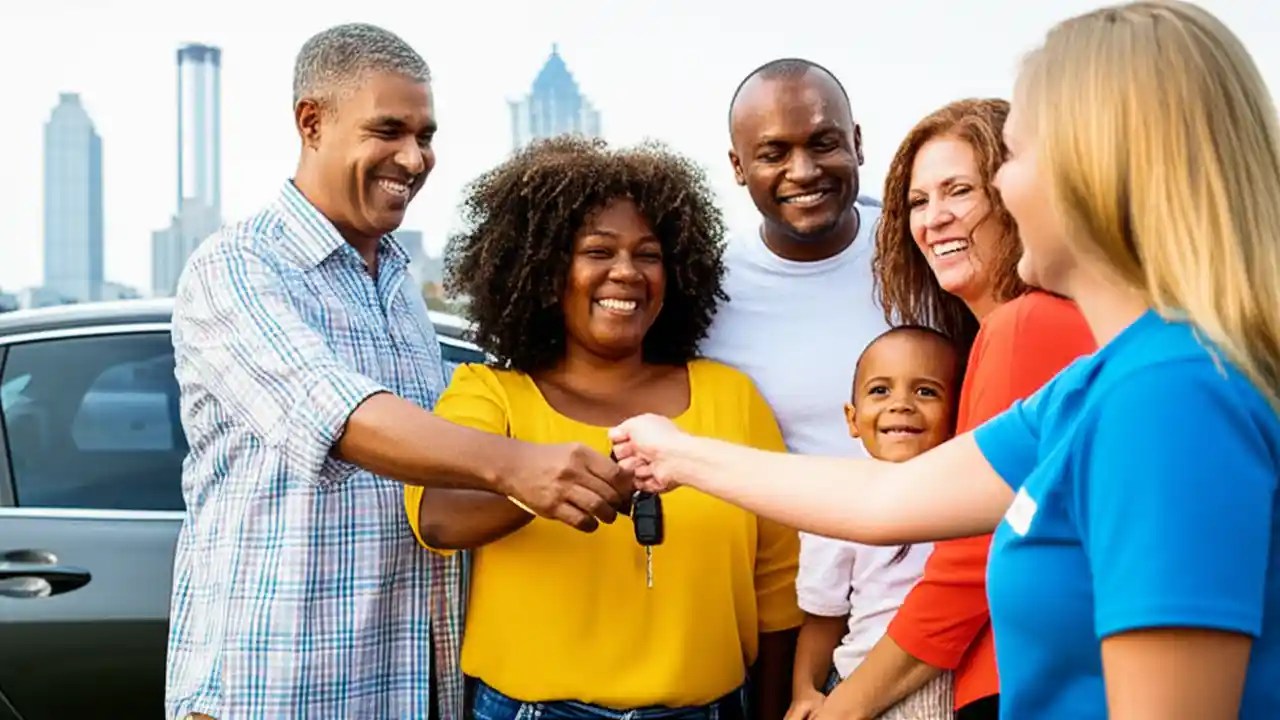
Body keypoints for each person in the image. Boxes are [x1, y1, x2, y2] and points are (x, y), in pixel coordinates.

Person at [611, 2, 1280, 718]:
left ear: (1098, 169)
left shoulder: (1170, 398)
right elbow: (885, 500)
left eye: (1011, 158)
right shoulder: (1103, 385)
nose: (1001, 189)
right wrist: (676, 453)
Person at [165, 25, 630, 720]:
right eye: (388, 131)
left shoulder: (400, 287)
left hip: (406, 685)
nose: (414, 159)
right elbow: (344, 418)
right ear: (311, 123)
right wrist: (519, 468)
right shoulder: (237, 268)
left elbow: (441, 454)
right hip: (277, 688)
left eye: (425, 135)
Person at [404, 136, 803, 720]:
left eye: (649, 255)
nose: (626, 272)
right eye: (598, 251)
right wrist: (538, 488)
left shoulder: (730, 397)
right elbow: (438, 517)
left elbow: (779, 585)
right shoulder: (491, 392)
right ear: (545, 271)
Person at [822, 99, 1096, 720]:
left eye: (959, 191)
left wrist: (846, 707)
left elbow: (968, 564)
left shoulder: (1026, 325)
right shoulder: (997, 337)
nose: (934, 218)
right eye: (918, 201)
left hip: (1025, 680)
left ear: (1016, 193)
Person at [702, 58, 890, 461]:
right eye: (773, 155)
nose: (803, 172)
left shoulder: (924, 248)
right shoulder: (705, 293)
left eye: (824, 144)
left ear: (857, 143)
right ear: (738, 166)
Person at [788, 326, 961, 720]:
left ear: (957, 416)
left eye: (926, 391)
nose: (901, 404)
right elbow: (823, 617)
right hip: (858, 684)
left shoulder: (971, 497)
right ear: (852, 419)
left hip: (951, 683)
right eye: (880, 390)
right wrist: (805, 691)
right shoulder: (836, 504)